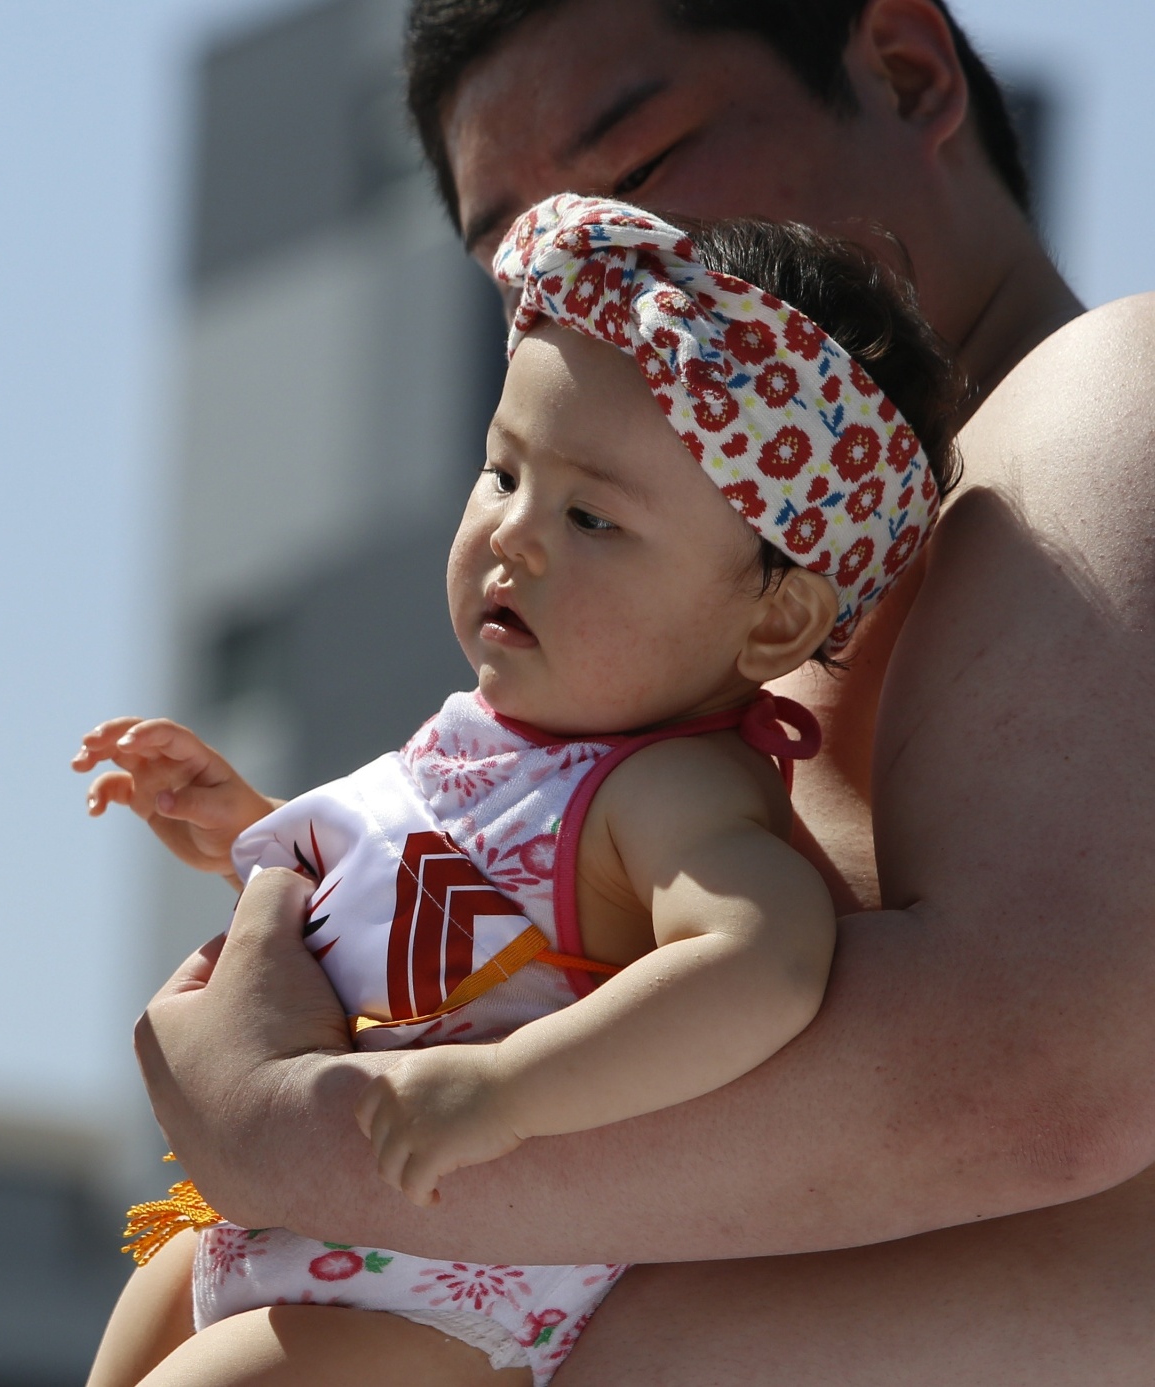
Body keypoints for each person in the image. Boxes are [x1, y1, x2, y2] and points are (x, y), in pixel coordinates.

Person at [130, 0, 1155, 1381]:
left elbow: (1035, 1066)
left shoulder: (1099, 395)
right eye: (525, 256)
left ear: (906, 75)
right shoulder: (655, 627)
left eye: (636, 171)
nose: (611, 270)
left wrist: (292, 1125)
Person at [82, 195, 959, 1386]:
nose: (516, 537)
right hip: (299, 1221)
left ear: (778, 615)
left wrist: (509, 1089)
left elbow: (767, 953)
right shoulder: (502, 741)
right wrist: (249, 823)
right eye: (503, 473)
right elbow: (432, 897)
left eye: (593, 516)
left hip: (438, 1289)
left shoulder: (670, 786)